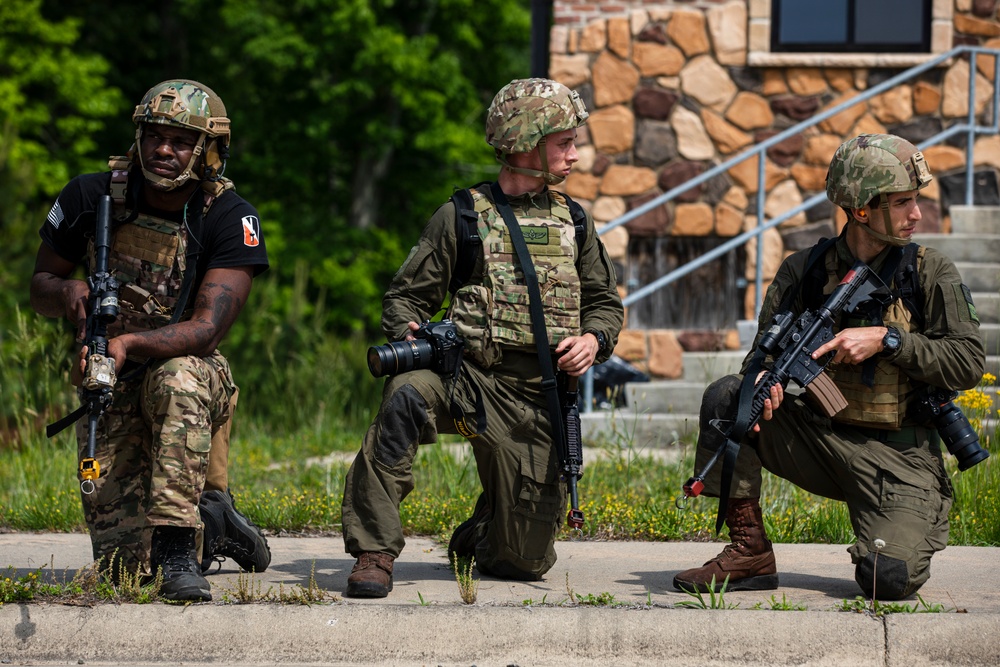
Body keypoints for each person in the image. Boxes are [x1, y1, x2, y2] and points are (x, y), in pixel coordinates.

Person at [340, 78, 624, 598]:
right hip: (465, 382)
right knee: (404, 394)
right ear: (527, 142)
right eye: (565, 142)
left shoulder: (575, 222)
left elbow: (605, 303)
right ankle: (374, 549)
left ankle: (483, 529)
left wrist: (593, 339)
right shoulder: (463, 216)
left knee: (524, 562)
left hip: (537, 396)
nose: (576, 155)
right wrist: (408, 330)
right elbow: (405, 297)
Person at [672, 133, 986, 600]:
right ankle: (749, 551)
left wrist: (889, 339)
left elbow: (968, 362)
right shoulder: (805, 270)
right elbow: (761, 354)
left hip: (900, 459)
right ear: (861, 210)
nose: (916, 214)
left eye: (915, 201)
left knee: (887, 580)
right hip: (820, 442)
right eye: (902, 203)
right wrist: (762, 376)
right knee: (728, 396)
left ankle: (879, 538)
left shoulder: (927, 271)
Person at [30, 80, 272, 601]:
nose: (164, 150)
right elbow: (40, 285)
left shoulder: (229, 216)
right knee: (122, 575)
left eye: (181, 140)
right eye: (154, 136)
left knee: (177, 377)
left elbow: (208, 330)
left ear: (209, 150)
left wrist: (129, 344)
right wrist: (68, 292)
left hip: (188, 371)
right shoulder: (90, 196)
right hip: (108, 379)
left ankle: (180, 550)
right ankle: (216, 521)